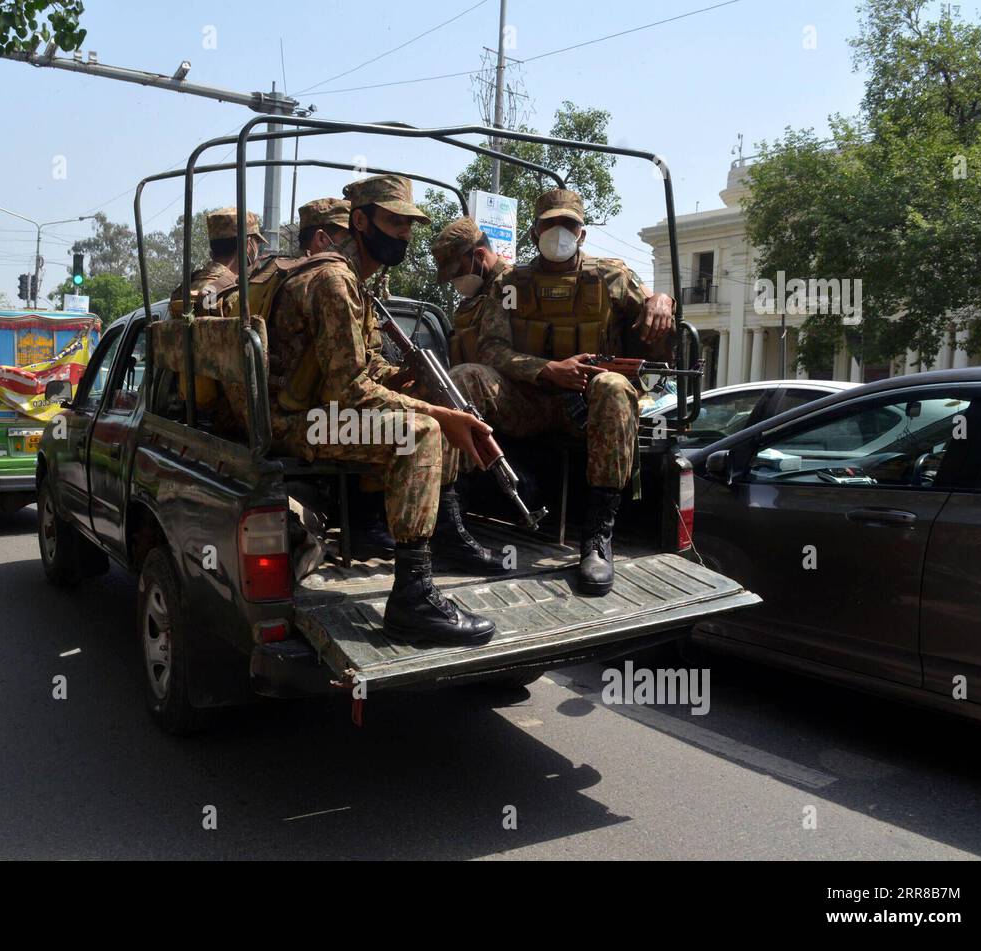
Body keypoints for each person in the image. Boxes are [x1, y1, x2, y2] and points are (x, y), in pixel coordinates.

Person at [264, 174, 505, 646]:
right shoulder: (334, 279)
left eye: (408, 225)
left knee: (442, 399)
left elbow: (360, 365)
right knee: (420, 433)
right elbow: (350, 391)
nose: (404, 234)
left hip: (320, 410)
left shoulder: (353, 278)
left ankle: (448, 536)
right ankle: (411, 599)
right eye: (394, 222)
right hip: (299, 422)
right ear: (360, 221)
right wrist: (439, 416)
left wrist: (413, 381)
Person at [446, 189, 676, 596]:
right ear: (534, 233)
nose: (559, 232)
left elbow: (654, 332)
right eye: (550, 224)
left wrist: (663, 300)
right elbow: (491, 349)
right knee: (464, 376)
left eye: (567, 225)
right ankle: (450, 523)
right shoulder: (511, 283)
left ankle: (597, 541)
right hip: (529, 401)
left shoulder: (612, 276)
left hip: (588, 406)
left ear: (582, 233)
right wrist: (546, 369)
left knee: (613, 384)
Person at [430, 217, 509, 367]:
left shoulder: (511, 285)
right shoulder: (477, 294)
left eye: (458, 271)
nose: (455, 279)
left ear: (479, 255)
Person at [169, 208, 266, 317]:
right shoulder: (241, 295)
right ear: (247, 245)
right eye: (256, 242)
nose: (257, 247)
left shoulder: (181, 292)